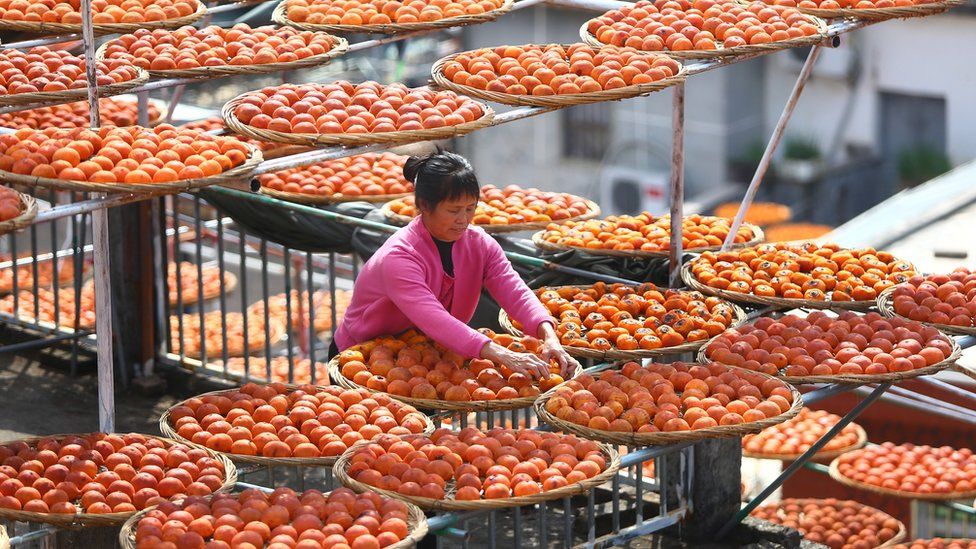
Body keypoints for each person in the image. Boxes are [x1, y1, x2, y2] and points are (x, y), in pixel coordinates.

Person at [329, 150, 579, 380]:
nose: (463, 220)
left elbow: (514, 289)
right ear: (425, 206)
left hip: (421, 360)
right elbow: (433, 317)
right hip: (360, 360)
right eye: (453, 210)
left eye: (470, 209)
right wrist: (502, 354)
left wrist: (548, 334)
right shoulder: (400, 256)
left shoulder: (480, 244)